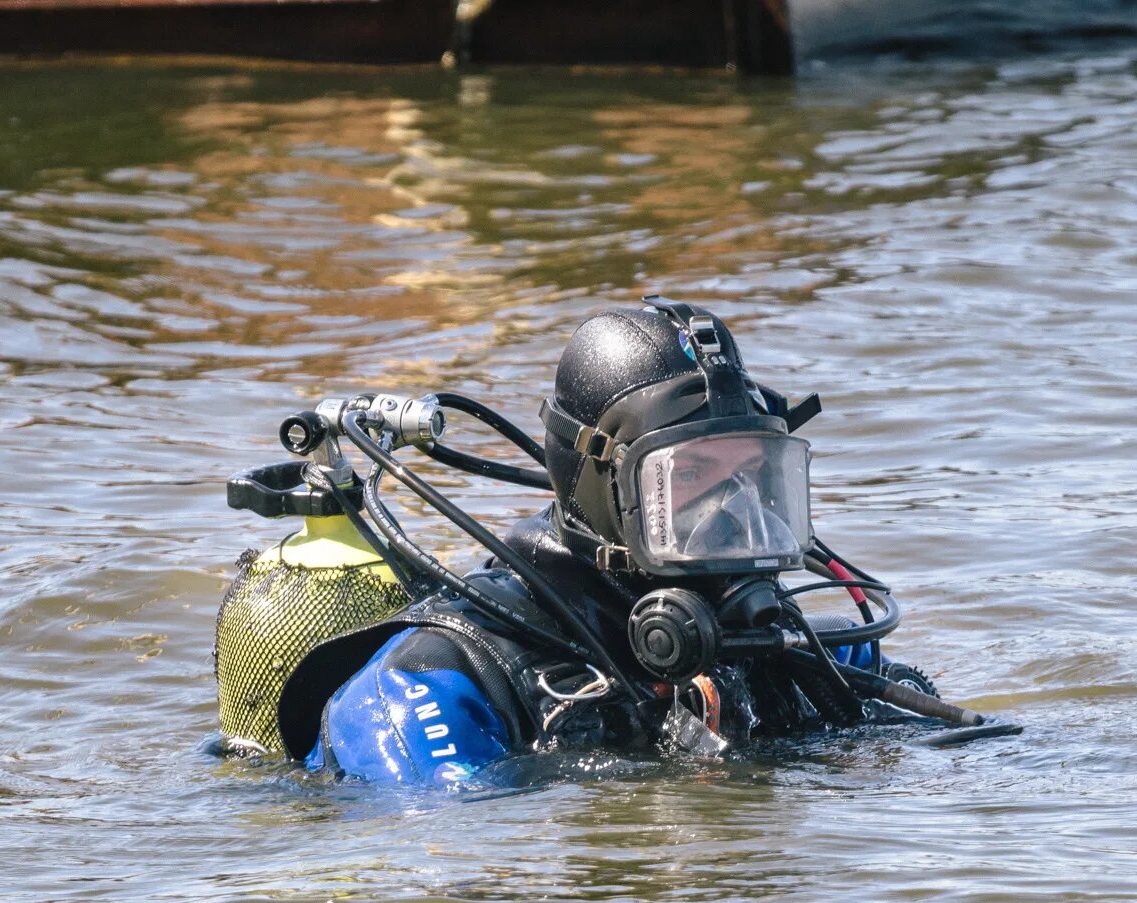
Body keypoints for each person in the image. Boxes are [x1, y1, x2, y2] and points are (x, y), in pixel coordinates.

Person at [272, 297, 954, 786]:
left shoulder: (788, 649)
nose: (731, 512)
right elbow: (444, 879)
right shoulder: (433, 684)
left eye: (751, 475)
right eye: (689, 477)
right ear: (603, 484)